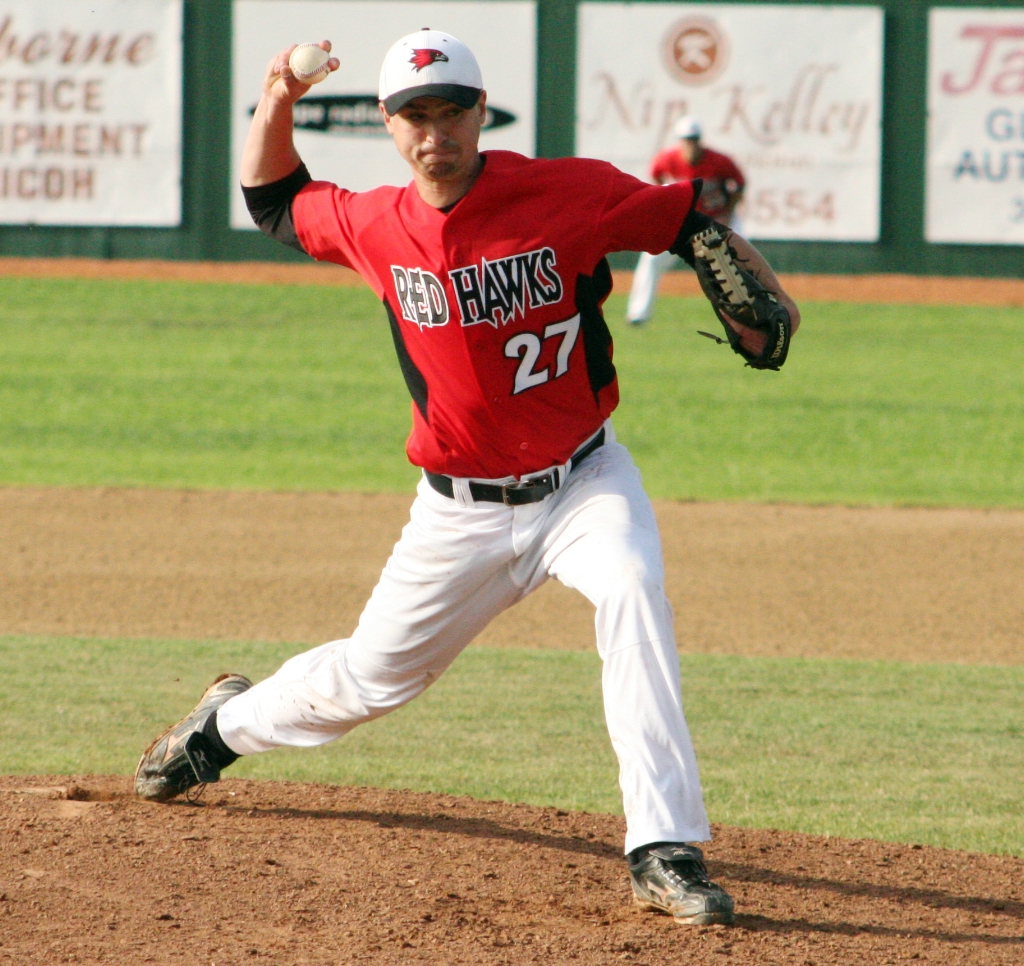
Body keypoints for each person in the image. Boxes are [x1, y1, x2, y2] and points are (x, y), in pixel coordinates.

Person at [134, 30, 799, 927]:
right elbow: (272, 199)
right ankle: (220, 729)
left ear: (481, 114)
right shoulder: (375, 223)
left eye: (450, 110)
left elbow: (685, 219)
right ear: (388, 125)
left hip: (584, 484)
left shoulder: (565, 193)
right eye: (414, 115)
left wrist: (742, 279)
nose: (433, 131)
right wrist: (276, 91)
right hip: (459, 513)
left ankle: (662, 848)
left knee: (634, 593)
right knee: (370, 679)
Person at [626, 116, 746, 327]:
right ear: (680, 141)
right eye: (686, 139)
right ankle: (638, 313)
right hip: (683, 221)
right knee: (652, 260)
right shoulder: (667, 159)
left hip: (715, 219)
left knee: (743, 259)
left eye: (694, 139)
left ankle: (749, 311)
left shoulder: (718, 161)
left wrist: (728, 211)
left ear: (701, 141)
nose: (691, 143)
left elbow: (739, 184)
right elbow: (656, 179)